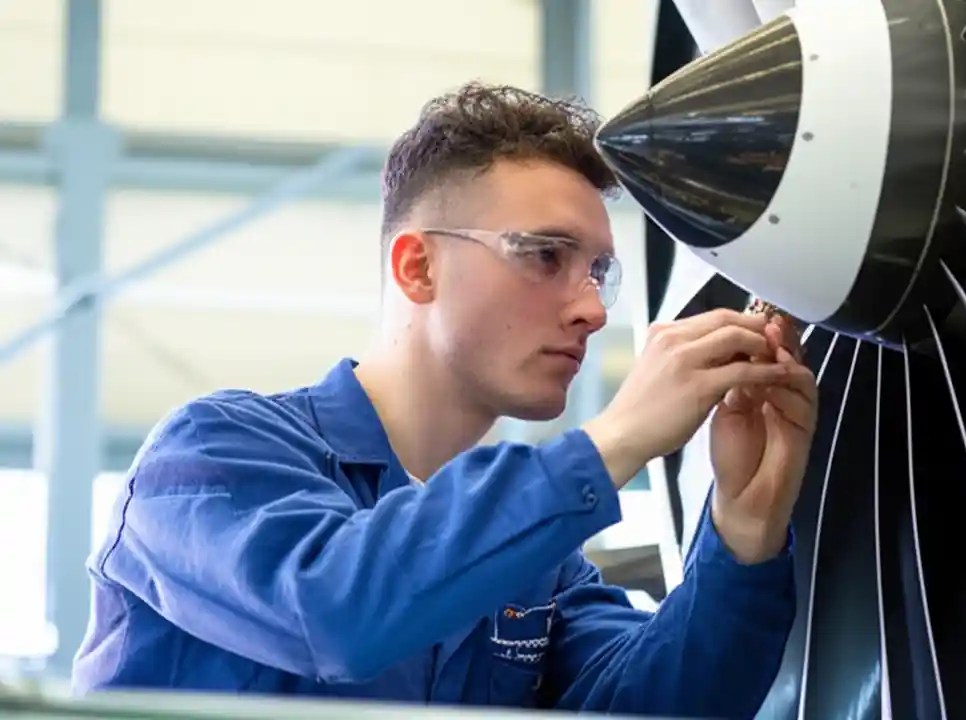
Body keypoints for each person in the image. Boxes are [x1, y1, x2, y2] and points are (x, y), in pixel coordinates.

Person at [71, 82, 818, 718]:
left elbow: (650, 707)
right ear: (418, 267)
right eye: (546, 256)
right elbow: (336, 609)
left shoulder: (538, 567)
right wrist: (617, 437)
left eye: (599, 273)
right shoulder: (208, 456)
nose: (592, 309)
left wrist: (743, 532)